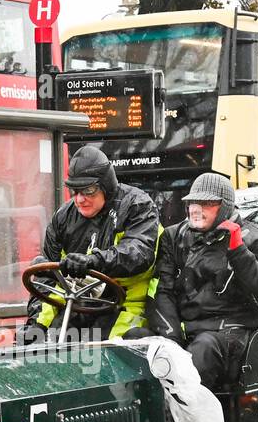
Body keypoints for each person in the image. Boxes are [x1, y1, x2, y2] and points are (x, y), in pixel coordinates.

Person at [146, 172, 258, 390]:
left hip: (232, 337)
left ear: (224, 207)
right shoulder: (173, 237)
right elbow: (160, 291)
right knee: (135, 341)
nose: (196, 210)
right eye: (193, 202)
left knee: (203, 348)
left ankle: (178, 420)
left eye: (206, 203)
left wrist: (239, 253)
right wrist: (170, 339)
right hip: (185, 333)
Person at [22, 145, 160, 343]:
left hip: (127, 303)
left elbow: (138, 253)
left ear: (106, 186)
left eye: (88, 191)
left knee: (111, 350)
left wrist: (94, 261)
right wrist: (36, 323)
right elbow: (47, 277)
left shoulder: (136, 206)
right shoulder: (63, 218)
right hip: (79, 302)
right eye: (74, 191)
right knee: (47, 343)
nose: (80, 199)